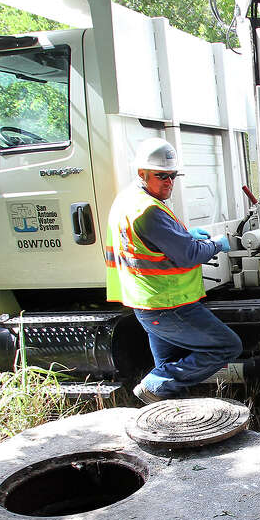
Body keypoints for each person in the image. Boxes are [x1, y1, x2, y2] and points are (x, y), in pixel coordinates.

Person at [105, 138, 244, 404]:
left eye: (172, 176)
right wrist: (217, 244)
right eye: (161, 176)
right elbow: (189, 255)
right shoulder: (147, 210)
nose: (168, 181)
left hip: (150, 302)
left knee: (170, 369)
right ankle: (154, 386)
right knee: (227, 346)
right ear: (141, 173)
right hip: (168, 304)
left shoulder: (130, 200)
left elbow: (149, 243)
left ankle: (173, 420)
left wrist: (182, 235)